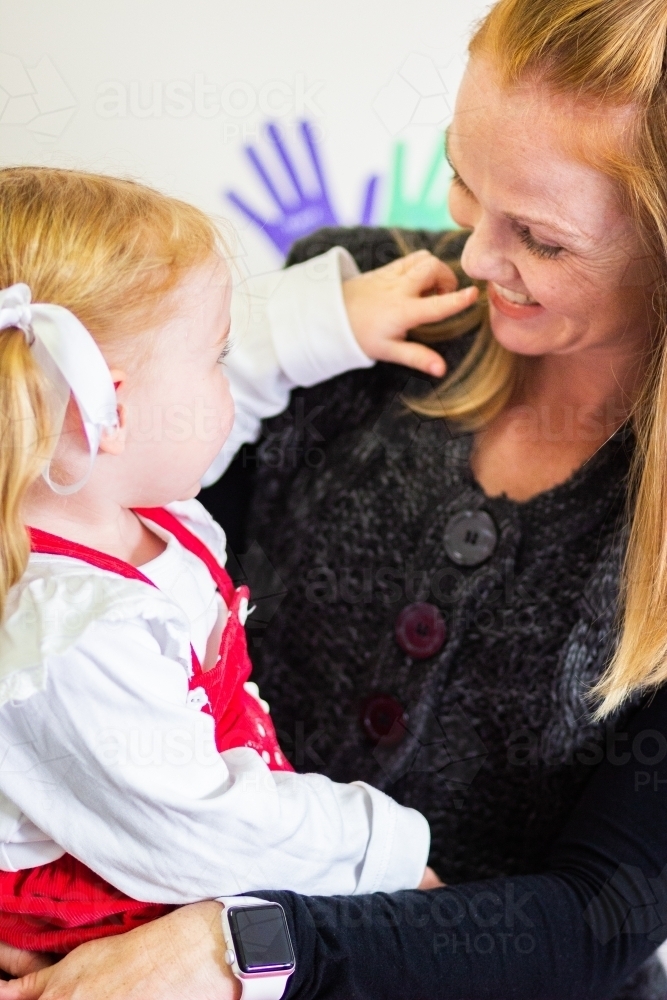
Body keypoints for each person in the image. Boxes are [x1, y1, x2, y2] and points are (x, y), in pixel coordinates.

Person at [3, 0, 667, 996]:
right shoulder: (358, 307)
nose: (475, 257)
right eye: (461, 178)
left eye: (539, 236)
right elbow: (115, 508)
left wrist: (244, 948)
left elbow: (595, 921)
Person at [0, 166, 476, 955]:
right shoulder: (68, 631)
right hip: (117, 916)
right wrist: (380, 848)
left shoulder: (107, 495)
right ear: (107, 407)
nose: (229, 375)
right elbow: (201, 823)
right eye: (215, 358)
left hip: (193, 840)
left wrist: (324, 322)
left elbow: (190, 405)